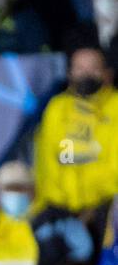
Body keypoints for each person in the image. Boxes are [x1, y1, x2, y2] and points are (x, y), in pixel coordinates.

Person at [33, 46, 118, 223]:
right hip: (60, 205)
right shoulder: (56, 107)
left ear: (106, 73)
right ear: (70, 73)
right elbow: (46, 159)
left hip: (106, 205)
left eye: (93, 68)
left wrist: (90, 204)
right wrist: (59, 201)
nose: (86, 74)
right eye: (80, 68)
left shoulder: (115, 106)